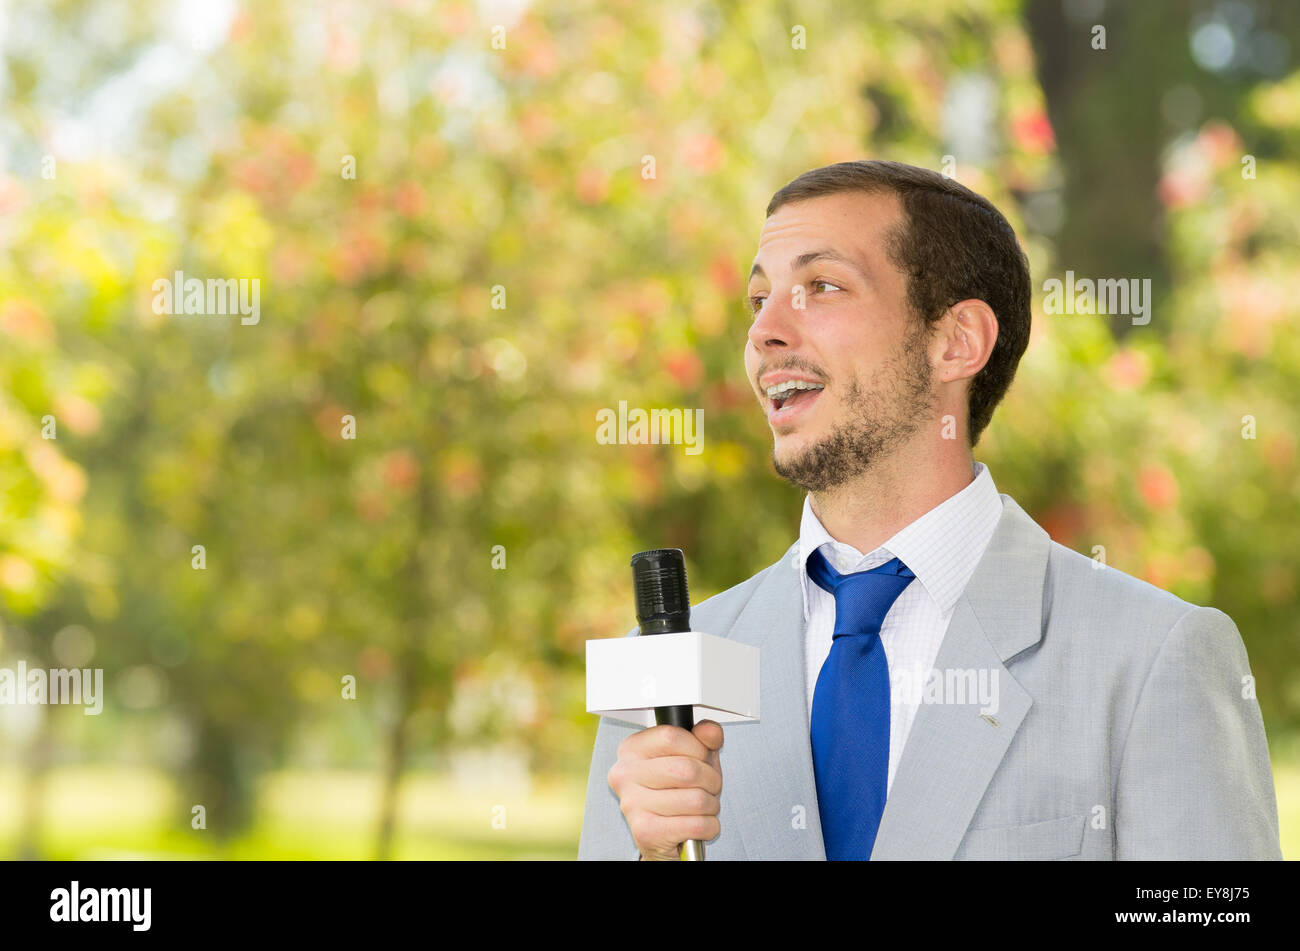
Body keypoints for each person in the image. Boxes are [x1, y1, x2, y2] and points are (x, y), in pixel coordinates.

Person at [577, 160, 1283, 860]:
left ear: (957, 342)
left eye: (820, 286)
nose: (766, 330)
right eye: (760, 299)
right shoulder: (667, 670)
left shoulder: (1155, 659)